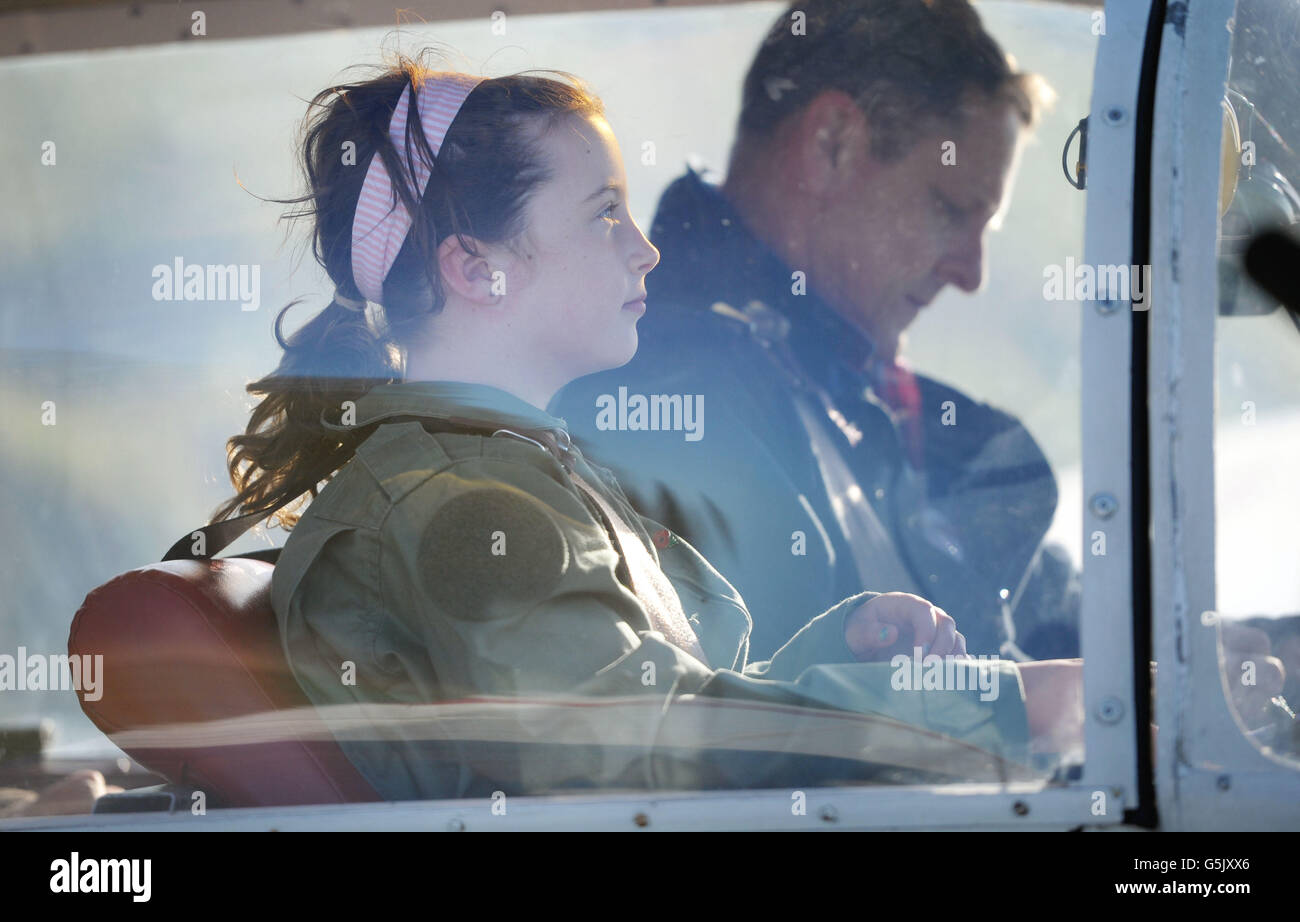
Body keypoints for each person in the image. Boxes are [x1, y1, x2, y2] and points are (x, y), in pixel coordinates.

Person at [211, 56, 1083, 802]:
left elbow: (655, 703)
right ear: (478, 270)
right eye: (602, 214)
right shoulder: (462, 505)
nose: (645, 248)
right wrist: (1007, 708)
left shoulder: (513, 472)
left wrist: (833, 647)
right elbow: (635, 751)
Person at [552, 0, 1081, 663]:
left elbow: (1038, 609)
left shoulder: (856, 389)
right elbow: (796, 717)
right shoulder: (666, 388)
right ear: (831, 144)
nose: (971, 272)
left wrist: (1179, 661)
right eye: (948, 208)